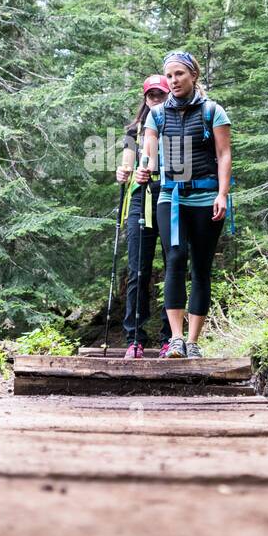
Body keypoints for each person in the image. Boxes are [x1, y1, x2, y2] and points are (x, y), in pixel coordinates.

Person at [136, 51, 232, 359]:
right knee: (175, 259)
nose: (174, 80)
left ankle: (193, 341)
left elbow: (224, 154)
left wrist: (222, 194)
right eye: (170, 75)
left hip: (206, 197)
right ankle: (175, 339)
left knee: (201, 266)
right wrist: (144, 166)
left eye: (180, 74)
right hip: (171, 197)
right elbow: (149, 149)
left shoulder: (212, 111)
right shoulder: (158, 114)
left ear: (193, 76)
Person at [115, 75, 173, 359]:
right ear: (145, 98)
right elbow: (127, 163)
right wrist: (123, 172)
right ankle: (134, 339)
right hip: (141, 197)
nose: (155, 99)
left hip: (171, 195)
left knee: (172, 265)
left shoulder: (175, 123)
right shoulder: (133, 130)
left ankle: (169, 338)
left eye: (159, 94)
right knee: (138, 269)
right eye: (151, 95)